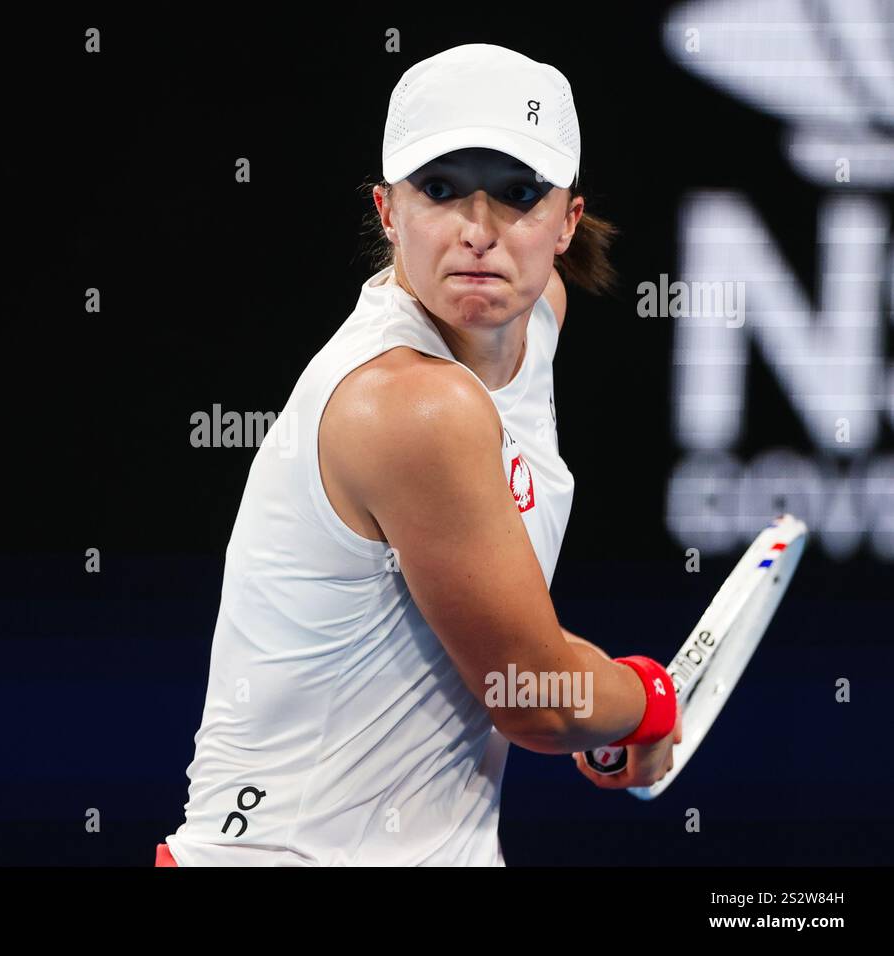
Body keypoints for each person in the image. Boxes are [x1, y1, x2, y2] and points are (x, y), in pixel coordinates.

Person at [157, 43, 680, 867]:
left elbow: (506, 637)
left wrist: (591, 697)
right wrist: (644, 698)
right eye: (440, 190)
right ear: (387, 210)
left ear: (567, 220)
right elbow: (533, 702)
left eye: (517, 195)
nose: (479, 233)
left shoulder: (537, 315)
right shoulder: (410, 405)